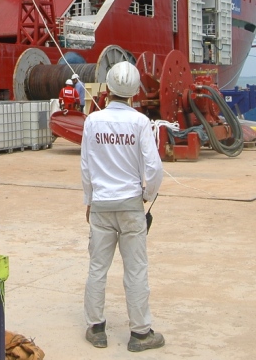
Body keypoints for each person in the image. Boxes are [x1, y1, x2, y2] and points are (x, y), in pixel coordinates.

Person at [81, 61, 164, 352]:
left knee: (97, 268)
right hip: (131, 207)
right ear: (133, 92)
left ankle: (96, 328)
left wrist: (89, 201)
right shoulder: (141, 122)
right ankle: (141, 334)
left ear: (108, 89)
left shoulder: (93, 121)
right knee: (136, 270)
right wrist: (146, 195)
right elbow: (154, 168)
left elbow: (86, 167)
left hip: (102, 207)